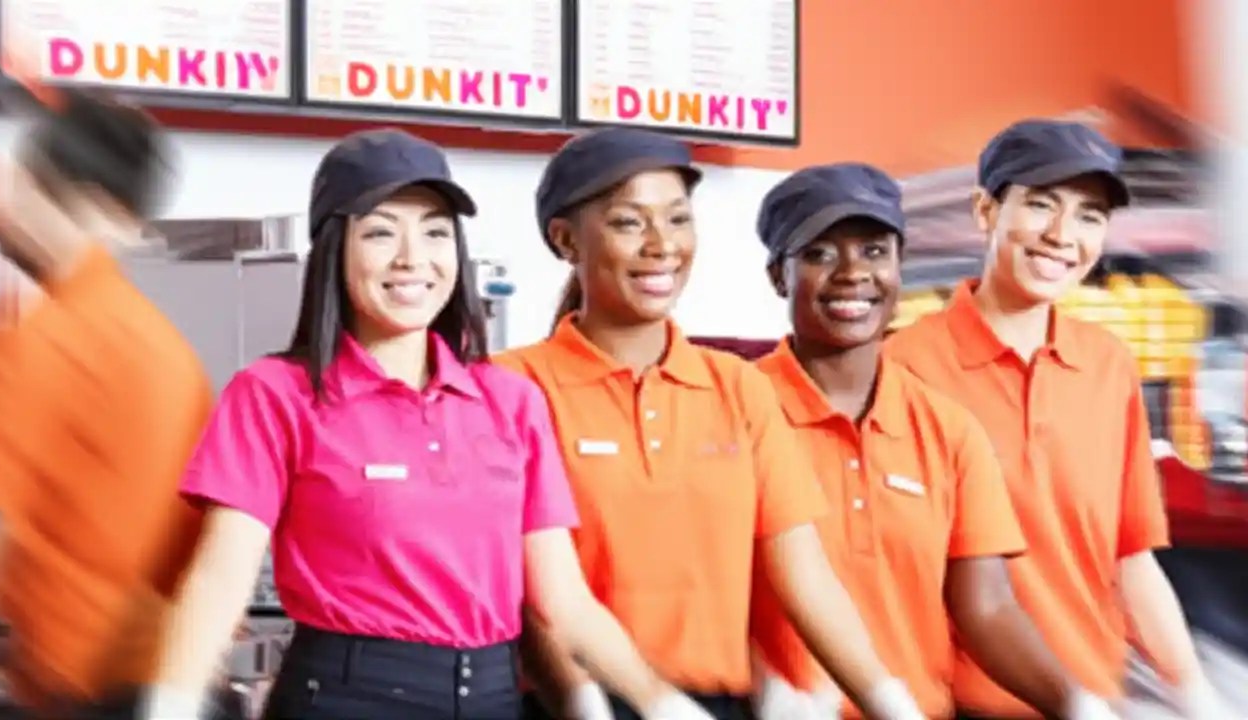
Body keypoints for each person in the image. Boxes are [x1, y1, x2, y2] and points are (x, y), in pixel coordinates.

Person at [144, 128, 717, 720]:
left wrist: (660, 703)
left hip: (491, 700)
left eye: (436, 232)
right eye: (381, 232)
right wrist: (169, 706)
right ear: (335, 248)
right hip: (348, 701)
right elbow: (218, 585)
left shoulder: (511, 402)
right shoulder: (275, 396)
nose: (412, 259)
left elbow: (564, 602)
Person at [495, 127, 925, 720]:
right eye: (628, 223)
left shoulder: (737, 386)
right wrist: (583, 701)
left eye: (677, 219)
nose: (661, 245)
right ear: (566, 240)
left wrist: (887, 698)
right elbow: (530, 591)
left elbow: (804, 575)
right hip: (576, 704)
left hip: (720, 706)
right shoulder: (512, 387)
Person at [747, 162, 1123, 719]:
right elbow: (689, 591)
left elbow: (987, 607)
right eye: (820, 254)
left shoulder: (947, 430)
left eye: (875, 251)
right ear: (780, 275)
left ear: (901, 267)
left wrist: (1074, 702)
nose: (853, 273)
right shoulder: (732, 410)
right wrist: (771, 687)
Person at [884, 120, 1232, 719]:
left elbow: (1131, 556)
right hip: (964, 702)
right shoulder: (906, 366)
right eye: (1040, 204)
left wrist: (1194, 691)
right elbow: (893, 570)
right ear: (986, 211)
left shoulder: (1107, 365)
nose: (1061, 235)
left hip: (1098, 698)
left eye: (1088, 216)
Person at [0, 93, 215, 719]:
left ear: (29, 184)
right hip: (167, 679)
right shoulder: (167, 348)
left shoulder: (44, 341)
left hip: (77, 688)